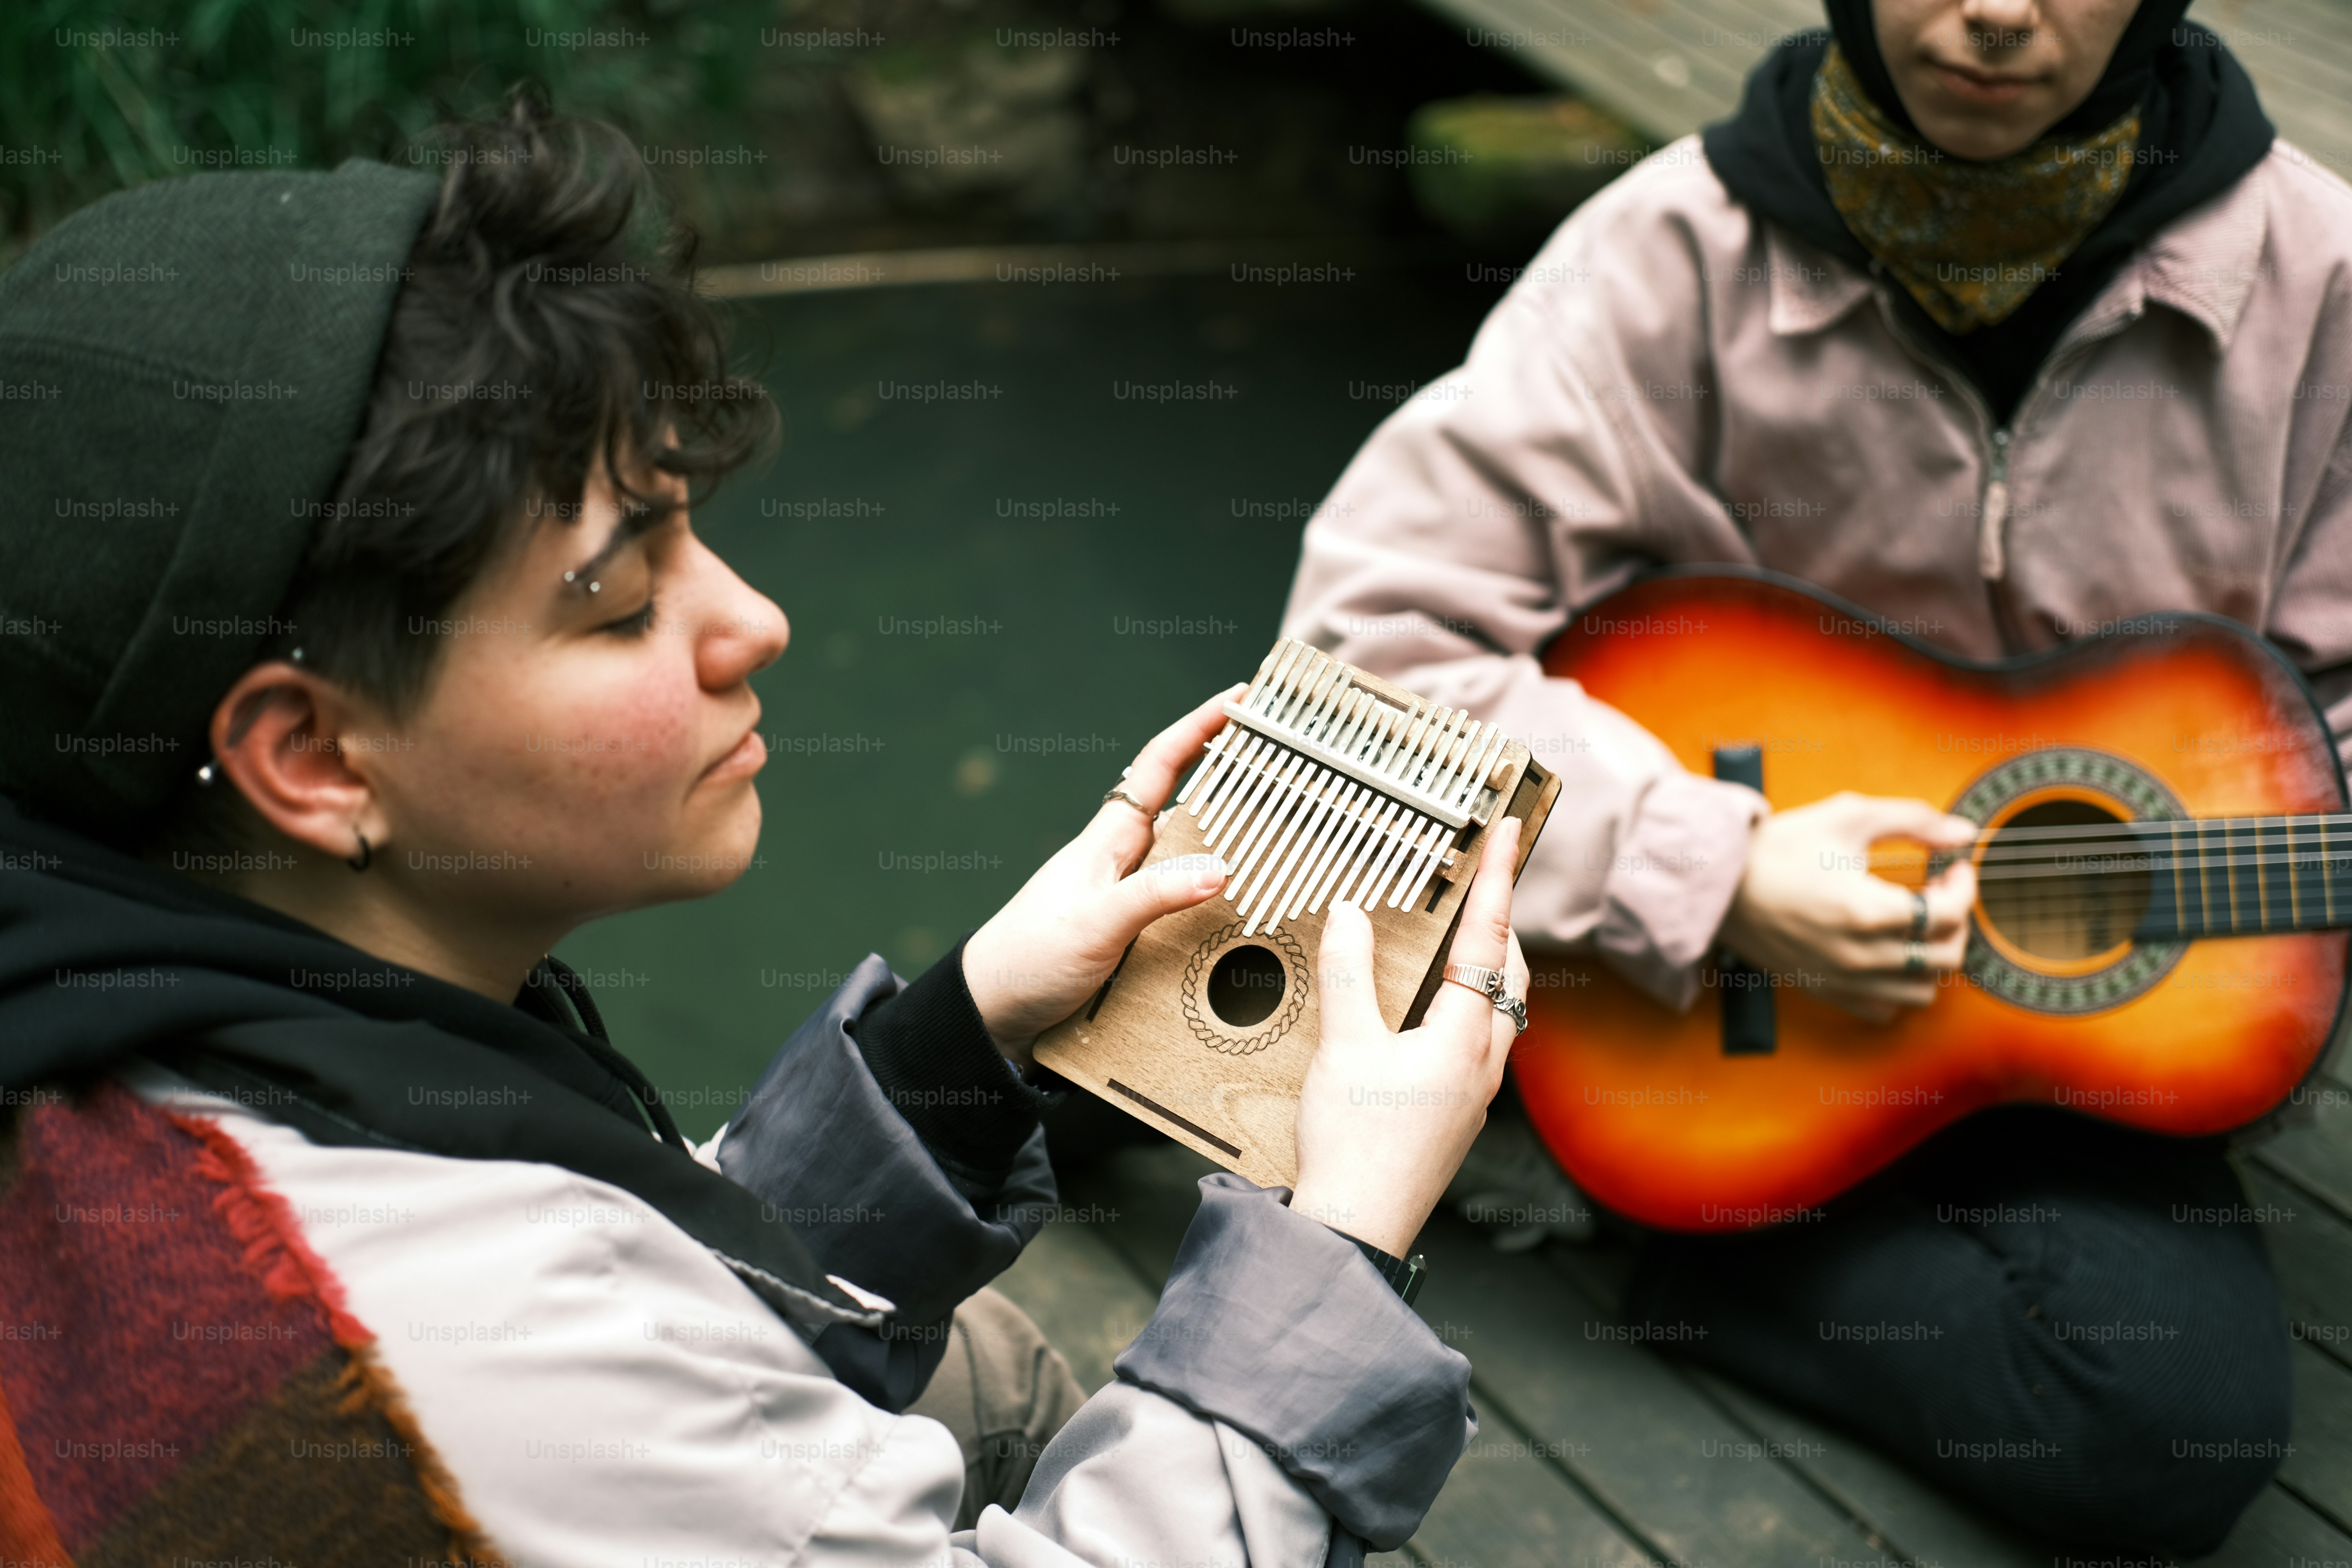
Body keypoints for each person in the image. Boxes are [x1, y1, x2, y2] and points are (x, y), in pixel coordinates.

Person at [0, 94, 1534, 1566]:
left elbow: (662, 1311)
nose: (760, 620)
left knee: (985, 1372)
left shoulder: (121, 1010)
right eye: (616, 604)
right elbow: (581, 1361)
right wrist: (1336, 1234)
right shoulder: (468, 1339)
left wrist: (962, 1039)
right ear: (314, 754)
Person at [1282, 0, 2348, 1552]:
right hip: (1696, 988)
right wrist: (1715, 872)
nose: (1993, 8)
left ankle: (1707, 1252)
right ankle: (1692, 1182)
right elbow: (1363, 648)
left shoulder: (2315, 274)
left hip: (2093, 1043)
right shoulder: (1667, 254)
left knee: (2178, 1431)